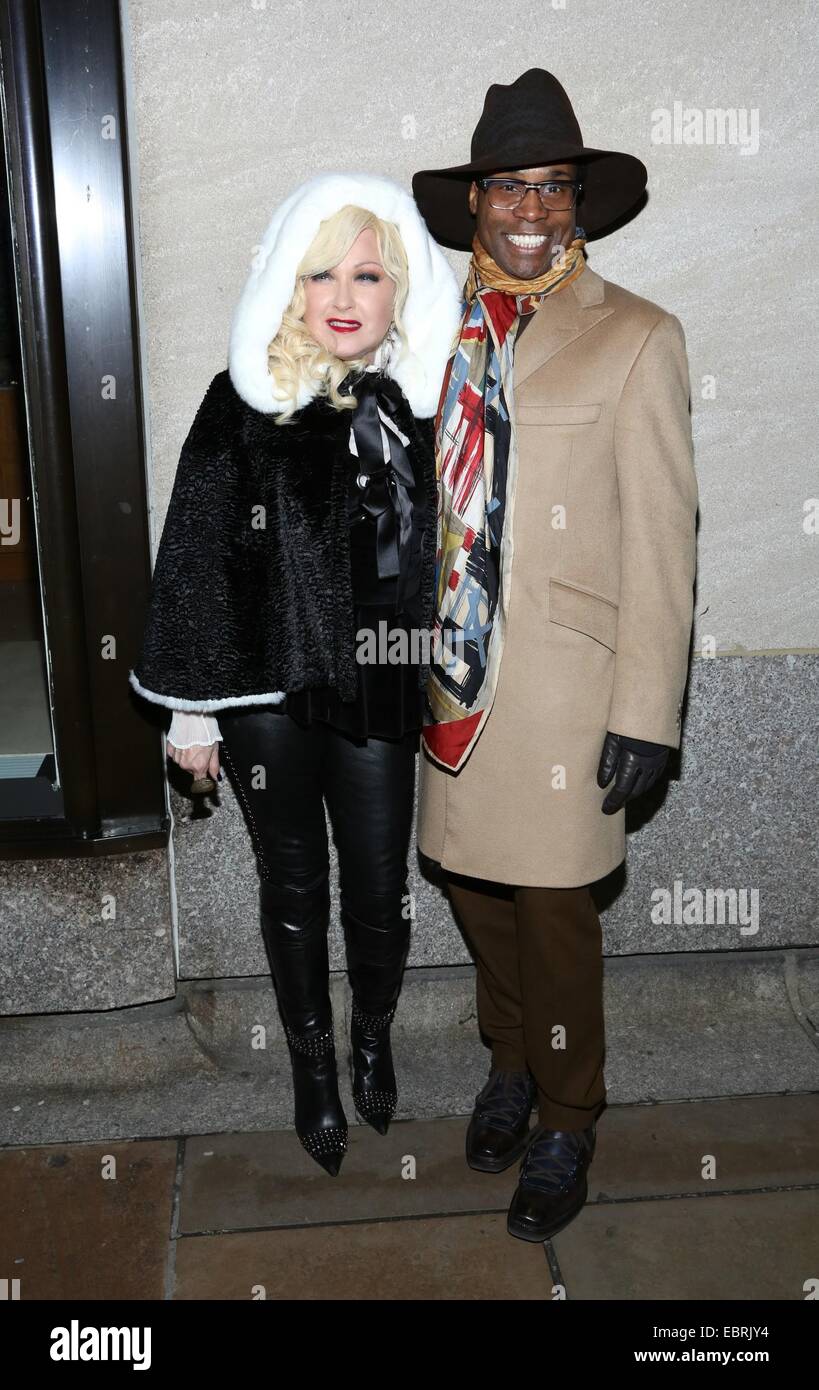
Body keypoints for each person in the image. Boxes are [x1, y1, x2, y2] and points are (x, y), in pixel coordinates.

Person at [411, 70, 699, 1241]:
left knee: (554, 904)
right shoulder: (429, 325)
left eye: (554, 188)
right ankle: (514, 1059)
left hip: (569, 689)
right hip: (449, 672)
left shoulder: (638, 334)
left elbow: (666, 535)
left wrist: (647, 707)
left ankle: (568, 1110)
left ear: (579, 202)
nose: (532, 209)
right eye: (510, 187)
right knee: (474, 886)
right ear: (476, 199)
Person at [129, 172, 461, 1175]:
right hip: (267, 691)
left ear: (400, 288)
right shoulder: (243, 403)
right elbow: (194, 555)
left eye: (369, 272)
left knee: (378, 888)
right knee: (294, 885)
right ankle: (313, 1068)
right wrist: (191, 711)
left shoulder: (420, 404)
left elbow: (465, 547)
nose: (346, 295)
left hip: (379, 685)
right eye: (323, 273)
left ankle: (373, 1034)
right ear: (288, 284)